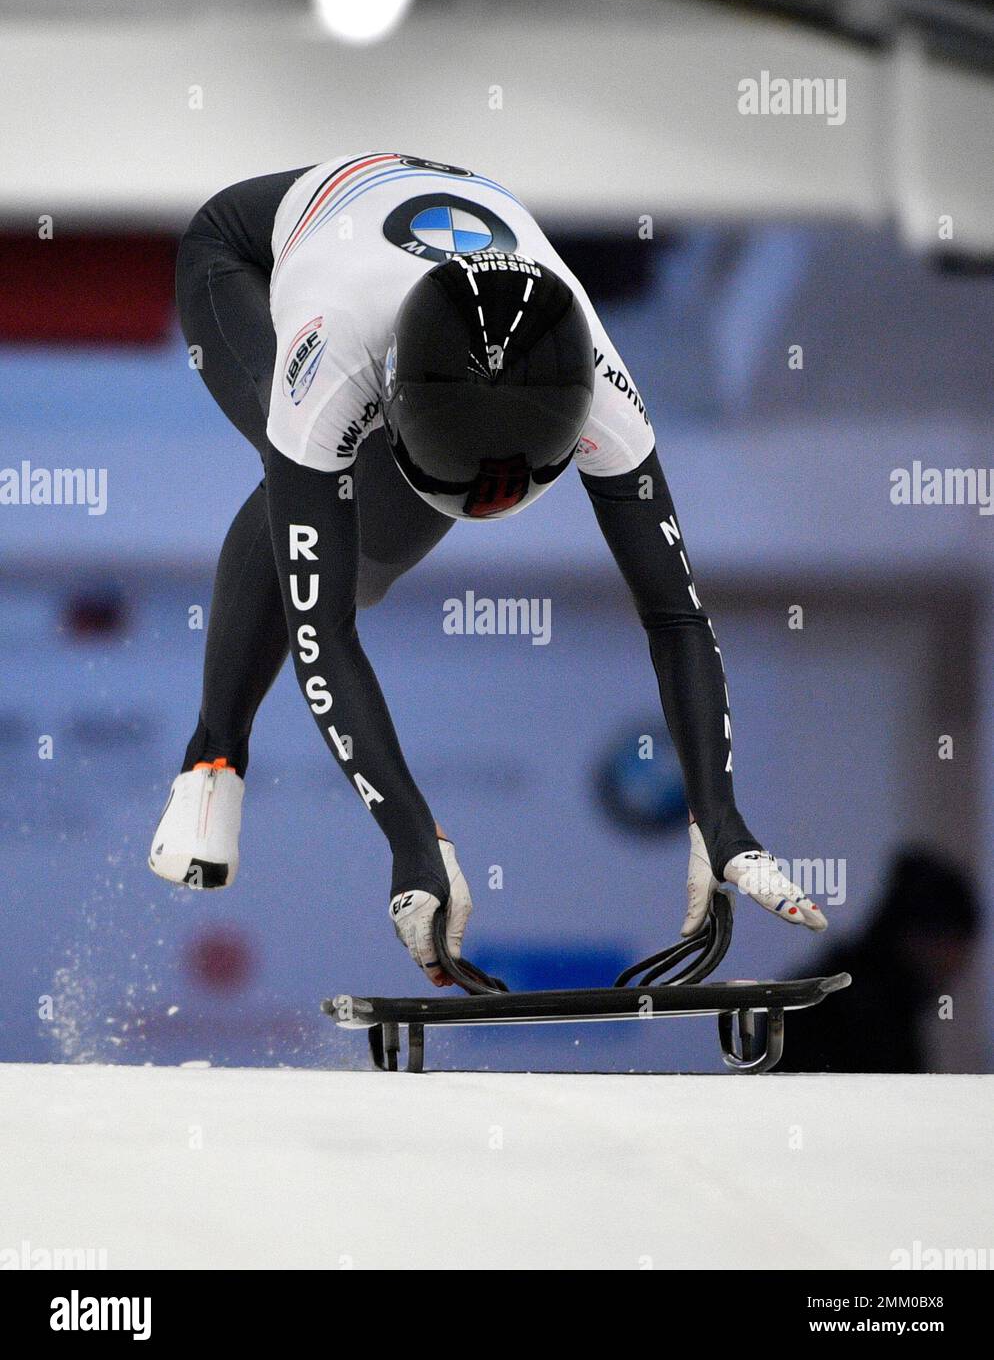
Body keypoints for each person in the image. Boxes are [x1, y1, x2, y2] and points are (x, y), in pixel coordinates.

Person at [148, 151, 827, 986]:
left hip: (407, 255)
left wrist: (720, 819)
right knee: (313, 504)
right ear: (393, 400)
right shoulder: (328, 364)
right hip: (245, 254)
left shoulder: (604, 388)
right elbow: (322, 633)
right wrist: (412, 842)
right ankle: (213, 759)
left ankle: (225, 736)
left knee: (367, 557)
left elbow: (677, 616)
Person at [772, 847, 980, 1072]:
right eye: (953, 947)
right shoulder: (869, 1015)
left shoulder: (840, 992)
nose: (957, 966)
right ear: (921, 937)